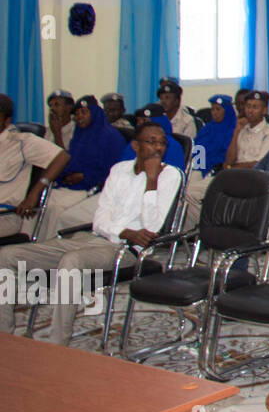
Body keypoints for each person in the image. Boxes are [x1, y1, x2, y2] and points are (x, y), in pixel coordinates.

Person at [0, 122, 181, 346]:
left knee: (72, 261)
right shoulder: (119, 170)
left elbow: (151, 228)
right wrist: (124, 231)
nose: (158, 147)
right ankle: (4, 335)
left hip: (125, 251)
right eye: (151, 141)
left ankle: (57, 344)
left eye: (162, 143)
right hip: (93, 238)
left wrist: (151, 181)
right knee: (6, 256)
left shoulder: (170, 176)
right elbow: (100, 219)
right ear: (135, 146)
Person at [185, 91, 269, 231]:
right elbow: (227, 161)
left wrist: (233, 166)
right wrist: (235, 132)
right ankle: (206, 228)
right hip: (230, 176)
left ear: (264, 110)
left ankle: (211, 228)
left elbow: (259, 165)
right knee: (189, 192)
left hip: (251, 180)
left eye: (255, 107)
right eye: (248, 106)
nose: (250, 110)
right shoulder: (241, 130)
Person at [37, 96, 123, 242]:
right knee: (43, 202)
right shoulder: (79, 134)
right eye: (76, 114)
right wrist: (66, 175)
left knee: (56, 209)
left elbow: (112, 173)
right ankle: (32, 242)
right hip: (70, 186)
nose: (79, 117)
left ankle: (49, 245)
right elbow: (70, 161)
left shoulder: (110, 137)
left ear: (95, 113)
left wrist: (84, 177)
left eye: (84, 112)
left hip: (91, 188)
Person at [0, 93, 71, 242]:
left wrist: (35, 193)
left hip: (6, 215)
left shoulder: (21, 141)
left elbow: (62, 157)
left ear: (7, 121)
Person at [191, 94, 236, 179]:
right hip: (198, 169)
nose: (214, 113)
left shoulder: (233, 130)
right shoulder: (207, 128)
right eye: (213, 109)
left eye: (218, 109)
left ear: (227, 111)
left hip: (219, 173)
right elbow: (196, 148)